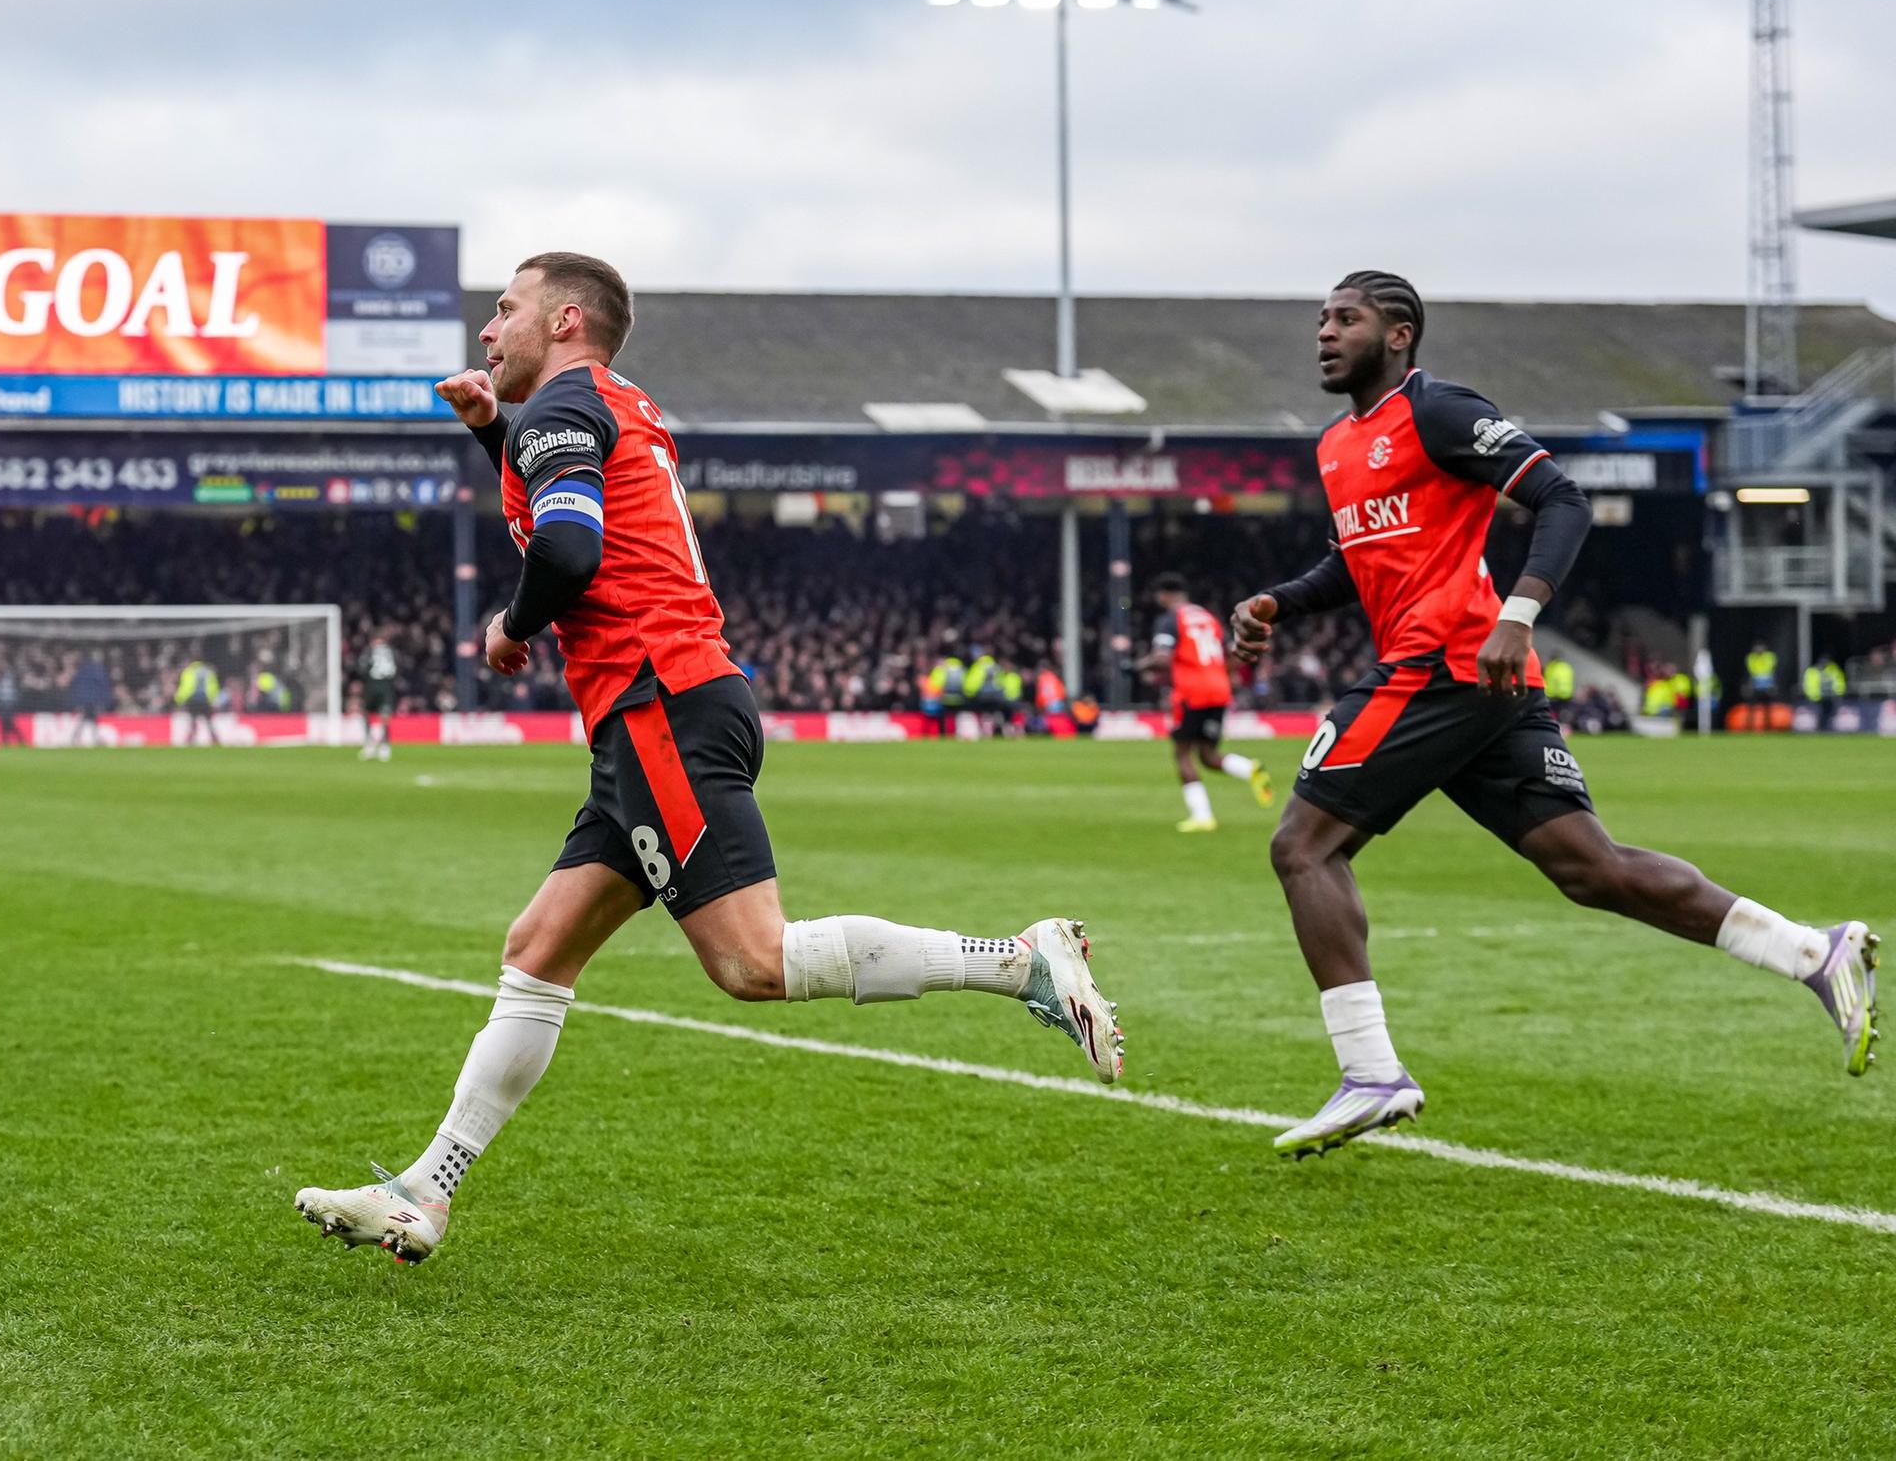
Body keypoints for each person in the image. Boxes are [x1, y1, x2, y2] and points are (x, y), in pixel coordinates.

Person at [295, 252, 1122, 1263]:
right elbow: (552, 490)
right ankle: (426, 1191)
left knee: (752, 961)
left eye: (502, 311)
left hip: (659, 703)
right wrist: (486, 435)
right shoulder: (602, 406)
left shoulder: (561, 409)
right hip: (661, 708)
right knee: (537, 948)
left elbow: (564, 553)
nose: (485, 331)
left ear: (563, 321)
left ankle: (1019, 961)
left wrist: (511, 625)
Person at [1232, 271, 1879, 1159]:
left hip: (1446, 663)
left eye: (1347, 318)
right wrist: (1278, 601)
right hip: (1473, 680)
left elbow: (1561, 499)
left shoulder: (1442, 412)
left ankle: (1372, 1074)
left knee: (1303, 846)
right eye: (1321, 319)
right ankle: (1817, 953)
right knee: (1592, 869)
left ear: (1400, 335)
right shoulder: (1340, 445)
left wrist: (1517, 614)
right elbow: (1360, 560)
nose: (1325, 333)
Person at [1137, 573, 1273, 831]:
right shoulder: (1208, 618)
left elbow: (1162, 659)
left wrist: (1136, 666)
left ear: (1164, 595)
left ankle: (1202, 817)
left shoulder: (1170, 619)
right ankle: (1249, 769)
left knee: (1182, 753)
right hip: (1219, 689)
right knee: (1208, 755)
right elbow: (1230, 655)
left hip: (1191, 693)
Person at [359, 632, 399, 762]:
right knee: (382, 716)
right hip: (386, 686)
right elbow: (398, 668)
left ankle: (375, 746)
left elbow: (361, 667)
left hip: (373, 686)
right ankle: (381, 747)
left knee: (372, 715)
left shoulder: (369, 651)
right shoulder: (392, 651)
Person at [175, 657, 220, 746]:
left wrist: (179, 699)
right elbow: (214, 687)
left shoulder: (188, 672)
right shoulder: (208, 672)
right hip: (205, 700)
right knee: (209, 721)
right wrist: (213, 700)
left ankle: (190, 741)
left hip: (193, 700)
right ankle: (215, 740)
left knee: (193, 721)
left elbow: (185, 688)